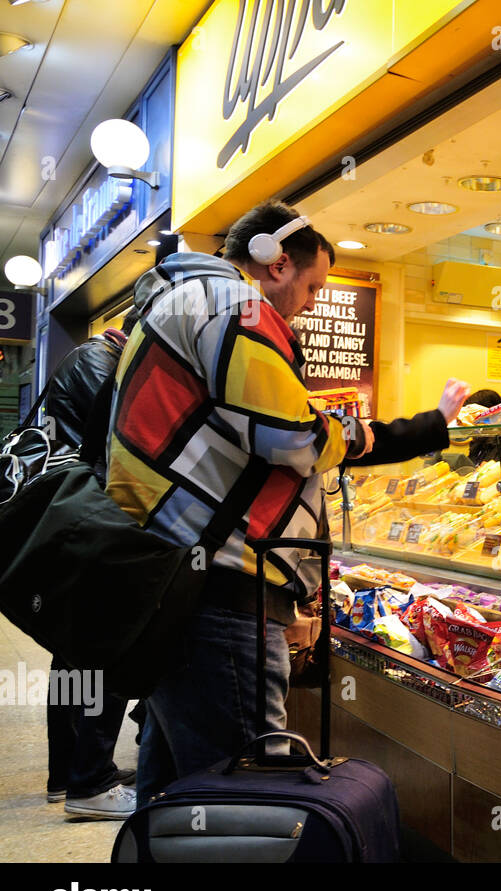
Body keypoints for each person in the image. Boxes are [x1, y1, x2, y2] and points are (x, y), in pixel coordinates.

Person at [104, 200, 469, 806]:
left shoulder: (184, 300)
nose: (311, 303)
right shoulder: (238, 308)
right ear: (275, 262)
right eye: (313, 285)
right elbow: (293, 437)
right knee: (245, 794)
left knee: (177, 788)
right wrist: (409, 430)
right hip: (220, 586)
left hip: (173, 576)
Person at [42, 318, 138, 818]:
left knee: (76, 652)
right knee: (99, 648)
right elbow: (116, 442)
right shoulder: (96, 363)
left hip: (81, 518)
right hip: (92, 520)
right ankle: (88, 778)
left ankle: (72, 771)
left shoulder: (94, 360)